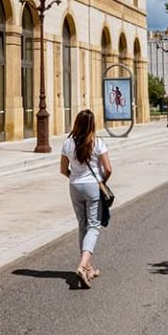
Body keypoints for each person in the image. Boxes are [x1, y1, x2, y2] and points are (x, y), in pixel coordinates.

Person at [60, 108, 113, 288]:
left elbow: (62, 170)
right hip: (92, 186)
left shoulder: (67, 143)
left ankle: (89, 267)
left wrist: (75, 178)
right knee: (94, 226)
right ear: (92, 125)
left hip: (74, 186)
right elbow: (108, 169)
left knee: (82, 225)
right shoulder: (97, 142)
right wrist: (101, 182)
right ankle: (83, 266)